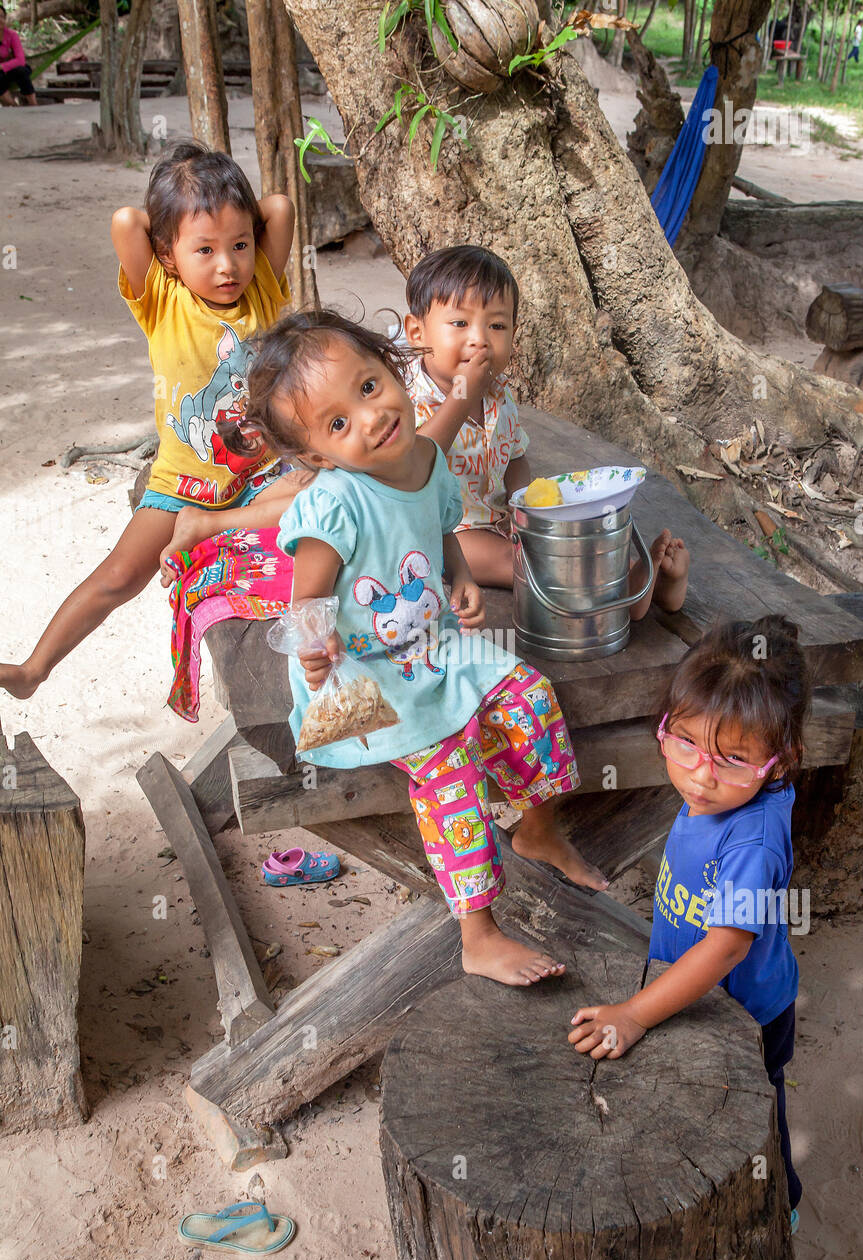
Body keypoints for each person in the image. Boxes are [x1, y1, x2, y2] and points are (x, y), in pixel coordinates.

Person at [225, 307, 609, 987]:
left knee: (528, 695)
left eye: (369, 387)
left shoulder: (428, 459)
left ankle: (537, 828)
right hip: (351, 682)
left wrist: (458, 577)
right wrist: (313, 648)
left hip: (426, 649)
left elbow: (441, 527)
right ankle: (478, 933)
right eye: (337, 423)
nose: (369, 418)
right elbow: (305, 595)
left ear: (393, 370)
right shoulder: (334, 504)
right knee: (448, 764)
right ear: (316, 454)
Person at [0, 142, 303, 700]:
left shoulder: (262, 283)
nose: (226, 265)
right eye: (204, 250)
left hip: (263, 474)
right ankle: (33, 670)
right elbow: (126, 221)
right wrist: (173, 226)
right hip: (181, 483)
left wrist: (220, 221)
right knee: (119, 576)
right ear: (167, 255)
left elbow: (279, 207)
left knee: (323, 521)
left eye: (239, 245)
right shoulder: (161, 299)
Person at [568, 615, 807, 1224]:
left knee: (756, 1105)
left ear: (779, 764)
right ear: (666, 727)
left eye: (731, 758)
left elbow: (727, 947)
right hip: (691, 988)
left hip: (746, 1009)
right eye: (687, 744)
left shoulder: (751, 843)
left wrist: (635, 1013)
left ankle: (780, 1203)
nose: (702, 775)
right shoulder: (727, 790)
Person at [402, 245, 689, 616]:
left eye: (497, 325)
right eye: (460, 323)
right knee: (521, 562)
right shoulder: (405, 398)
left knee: (563, 537)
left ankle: (648, 581)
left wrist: (525, 506)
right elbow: (418, 460)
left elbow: (515, 458)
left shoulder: (498, 395)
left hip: (502, 522)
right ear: (416, 331)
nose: (480, 338)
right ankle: (627, 590)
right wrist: (462, 394)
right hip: (441, 535)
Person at [0, 5, 37, 106]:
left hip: (11, 70)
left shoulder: (12, 35)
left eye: (2, 17)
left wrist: (2, 66)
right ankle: (14, 106)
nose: (0, 20)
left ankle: (34, 105)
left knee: (22, 70)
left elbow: (20, 60)